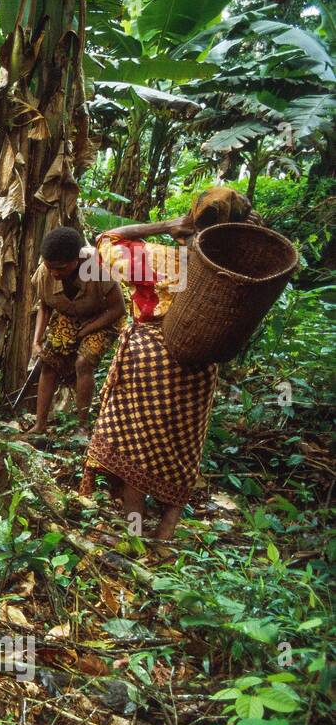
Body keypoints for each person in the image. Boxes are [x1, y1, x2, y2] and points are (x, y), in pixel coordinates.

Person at [80, 187, 257, 540]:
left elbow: (106, 239)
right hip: (202, 368)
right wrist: (248, 235)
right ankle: (165, 534)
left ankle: (135, 533)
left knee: (135, 449)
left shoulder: (163, 261)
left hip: (150, 360)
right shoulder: (238, 272)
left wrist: (169, 225)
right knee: (181, 449)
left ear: (193, 217)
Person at [27, 226, 125, 435]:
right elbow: (44, 306)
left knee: (83, 362)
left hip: (103, 318)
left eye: (60, 268)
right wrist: (36, 341)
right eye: (49, 266)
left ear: (76, 260)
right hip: (68, 316)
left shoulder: (98, 267)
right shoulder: (45, 272)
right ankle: (40, 424)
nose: (54, 273)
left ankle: (82, 426)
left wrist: (88, 329)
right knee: (48, 362)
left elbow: (118, 309)